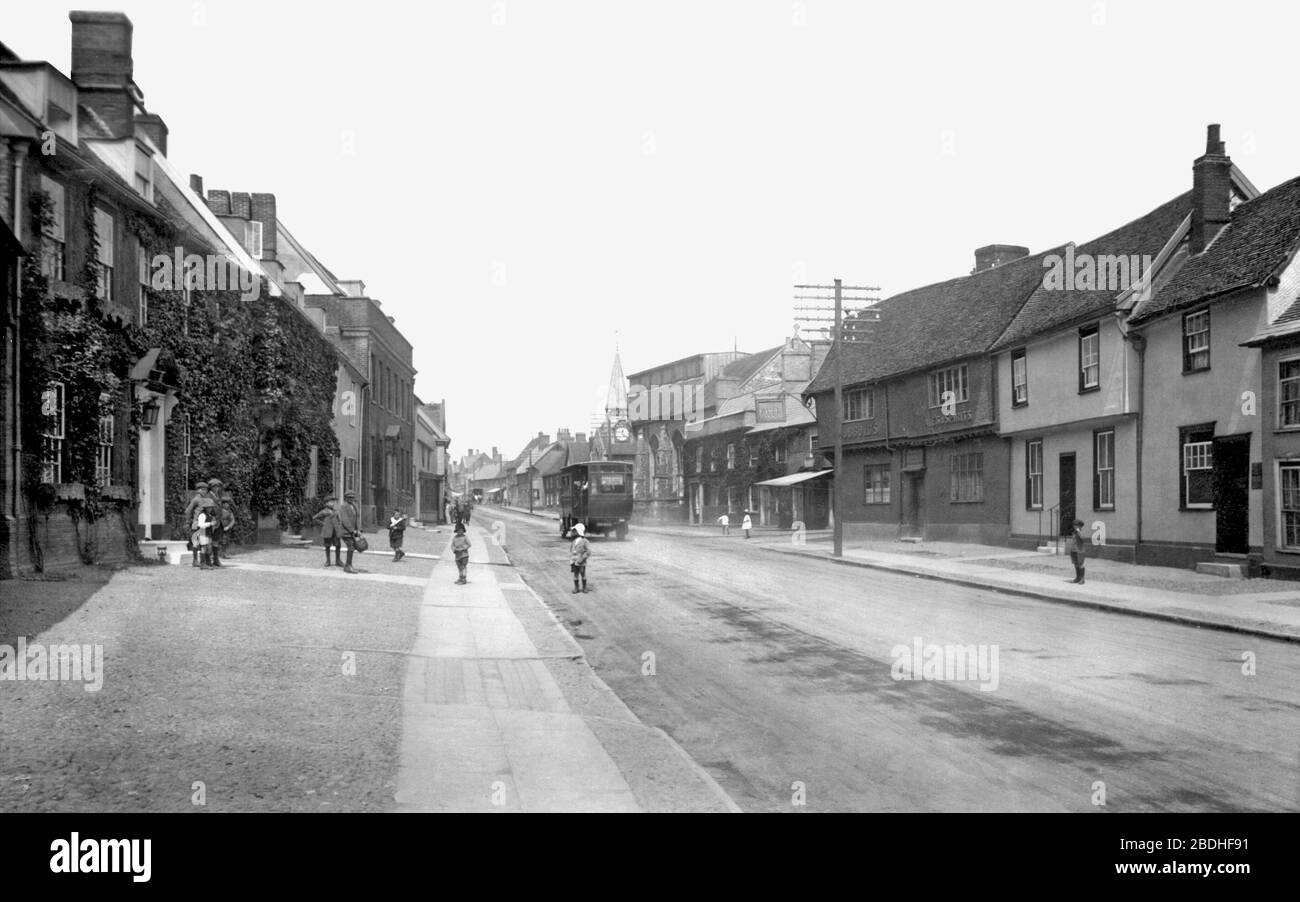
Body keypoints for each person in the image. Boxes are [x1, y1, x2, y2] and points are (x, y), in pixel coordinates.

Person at [313, 497, 343, 567]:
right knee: (327, 546)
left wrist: (339, 526)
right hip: (327, 531)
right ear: (326, 503)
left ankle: (338, 560)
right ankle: (328, 561)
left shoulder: (336, 511)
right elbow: (314, 518)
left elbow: (339, 520)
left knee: (338, 545)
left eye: (333, 502)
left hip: (335, 531)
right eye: (330, 502)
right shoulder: (324, 511)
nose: (332, 503)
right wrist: (323, 524)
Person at [338, 491, 361, 574]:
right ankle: (348, 566)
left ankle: (348, 565)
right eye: (349, 497)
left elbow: (358, 518)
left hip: (353, 532)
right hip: (346, 532)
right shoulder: (343, 507)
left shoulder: (355, 506)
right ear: (346, 498)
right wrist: (352, 530)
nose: (351, 499)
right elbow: (345, 520)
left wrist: (358, 530)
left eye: (352, 497)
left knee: (352, 548)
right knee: (351, 547)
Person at [207, 478, 228, 567]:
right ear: (211, 487)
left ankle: (216, 559)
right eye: (214, 486)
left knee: (216, 541)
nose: (216, 488)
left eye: (218, 486)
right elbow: (207, 509)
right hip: (211, 521)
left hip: (219, 522)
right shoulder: (208, 496)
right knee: (208, 541)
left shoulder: (217, 496)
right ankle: (208, 560)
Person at [569, 522, 591, 593]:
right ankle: (576, 588)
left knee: (583, 574)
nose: (573, 532)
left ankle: (584, 588)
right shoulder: (574, 541)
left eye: (575, 531)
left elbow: (588, 552)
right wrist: (571, 559)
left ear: (579, 531)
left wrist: (582, 558)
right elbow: (571, 550)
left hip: (581, 561)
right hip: (574, 561)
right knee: (575, 575)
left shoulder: (585, 541)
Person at [1069, 518, 1087, 584]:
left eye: (1076, 525)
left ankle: (1082, 579)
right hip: (1074, 550)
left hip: (1080, 551)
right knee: (1076, 565)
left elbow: (1083, 539)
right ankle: (1077, 578)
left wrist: (1079, 531)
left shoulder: (1081, 532)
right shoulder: (1074, 532)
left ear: (1080, 526)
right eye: (1074, 525)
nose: (1074, 526)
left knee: (1080, 565)